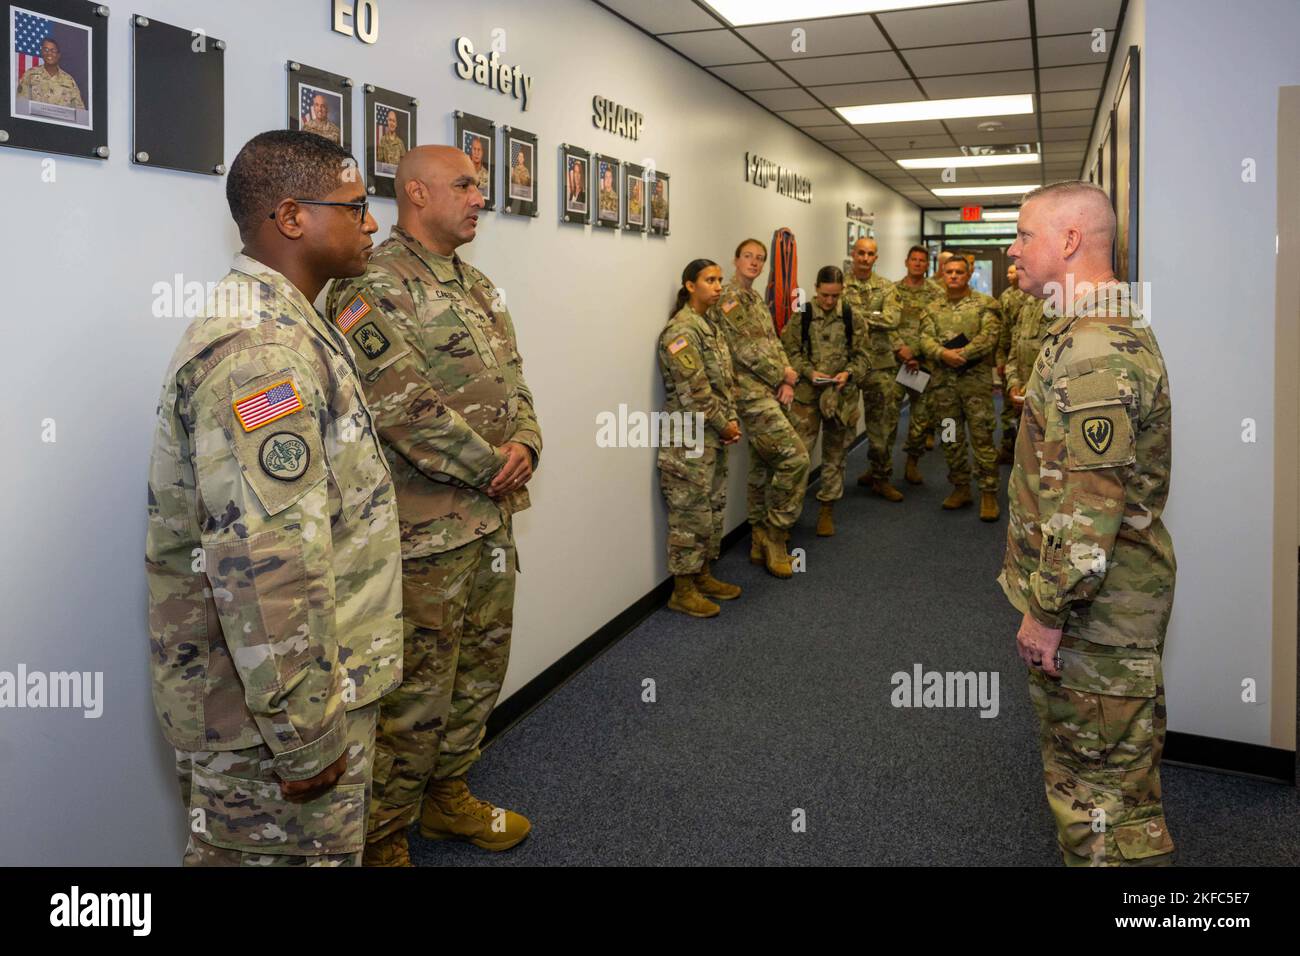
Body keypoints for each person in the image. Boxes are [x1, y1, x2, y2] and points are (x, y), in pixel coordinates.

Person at [144, 130, 401, 866]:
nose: (372, 223)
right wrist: (305, 733)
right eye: (355, 208)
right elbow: (265, 570)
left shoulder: (291, 325)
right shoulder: (261, 352)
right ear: (292, 218)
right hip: (267, 719)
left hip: (283, 699)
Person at [326, 145, 542, 865]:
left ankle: (449, 796)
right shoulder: (370, 285)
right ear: (416, 193)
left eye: (479, 185)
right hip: (422, 537)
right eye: (466, 185)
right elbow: (403, 407)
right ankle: (383, 836)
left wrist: (530, 446)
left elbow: (516, 384)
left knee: (480, 671)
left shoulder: (477, 284)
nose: (481, 197)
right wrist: (492, 468)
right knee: (413, 697)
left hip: (490, 523)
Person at [1000, 181, 1176, 867]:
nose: (1012, 251)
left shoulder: (1093, 351)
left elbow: (1086, 515)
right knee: (1112, 782)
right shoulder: (1084, 334)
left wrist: (1046, 613)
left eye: (1023, 234)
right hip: (1104, 609)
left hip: (1094, 618)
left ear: (1069, 241)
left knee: (1102, 809)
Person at [714, 239, 809, 577]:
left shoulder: (755, 297)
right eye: (748, 257)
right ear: (735, 259)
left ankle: (756, 535)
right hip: (750, 394)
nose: (754, 263)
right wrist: (780, 373)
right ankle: (776, 534)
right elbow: (742, 349)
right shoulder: (727, 299)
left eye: (760, 259)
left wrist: (787, 379)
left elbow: (773, 341)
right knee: (795, 460)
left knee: (762, 464)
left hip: (772, 390)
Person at [657, 260, 742, 616]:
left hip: (713, 437)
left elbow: (725, 380)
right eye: (710, 280)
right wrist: (725, 424)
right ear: (690, 286)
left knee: (710, 510)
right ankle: (683, 589)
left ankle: (703, 573)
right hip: (689, 441)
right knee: (689, 516)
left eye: (720, 280)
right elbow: (694, 392)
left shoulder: (711, 326)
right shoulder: (682, 331)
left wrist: (730, 421)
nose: (718, 286)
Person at [780, 266, 868, 536]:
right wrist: (808, 372)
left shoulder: (853, 316)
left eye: (835, 296)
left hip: (841, 397)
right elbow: (788, 351)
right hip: (807, 397)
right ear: (816, 288)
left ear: (842, 291)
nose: (829, 301)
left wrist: (849, 373)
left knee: (835, 455)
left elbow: (864, 357)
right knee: (798, 457)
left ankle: (827, 509)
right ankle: (787, 517)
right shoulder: (803, 315)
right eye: (824, 295)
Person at [918, 256, 1001, 520]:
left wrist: (961, 353)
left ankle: (988, 492)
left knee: (982, 437)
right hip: (945, 389)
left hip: (974, 385)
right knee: (951, 438)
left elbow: (989, 337)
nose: (953, 276)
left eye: (959, 272)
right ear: (942, 274)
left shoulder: (985, 305)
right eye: (949, 272)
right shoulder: (931, 307)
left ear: (969, 274)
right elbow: (924, 339)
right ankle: (961, 487)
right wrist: (943, 354)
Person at [843, 238, 903, 501]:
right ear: (853, 255)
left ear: (876, 258)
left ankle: (881, 476)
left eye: (870, 254)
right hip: (846, 363)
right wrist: (873, 315)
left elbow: (892, 319)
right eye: (861, 253)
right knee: (841, 424)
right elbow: (834, 315)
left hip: (880, 364)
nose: (865, 258)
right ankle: (833, 483)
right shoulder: (839, 284)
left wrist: (855, 316)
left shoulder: (886, 287)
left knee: (883, 425)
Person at [883, 245, 943, 485]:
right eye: (914, 260)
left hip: (923, 364)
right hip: (894, 362)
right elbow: (885, 325)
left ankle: (912, 464)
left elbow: (939, 326)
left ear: (927, 265)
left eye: (922, 260)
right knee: (887, 418)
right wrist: (900, 349)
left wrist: (916, 353)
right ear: (906, 262)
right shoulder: (892, 290)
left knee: (920, 419)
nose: (918, 264)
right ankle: (880, 467)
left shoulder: (937, 293)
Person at [995, 263, 1030, 463]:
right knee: (1009, 406)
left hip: (1027, 361)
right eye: (1007, 272)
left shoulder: (1033, 296)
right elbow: (1005, 330)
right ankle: (1009, 446)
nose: (1011, 275)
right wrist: (1001, 358)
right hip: (1012, 358)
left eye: (1013, 271)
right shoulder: (1006, 297)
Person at [16, 37, 85, 110]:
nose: (49, 53)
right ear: (42, 52)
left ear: (58, 55)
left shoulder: (69, 80)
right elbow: (21, 104)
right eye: (46, 50)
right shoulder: (30, 74)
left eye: (53, 50)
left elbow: (80, 111)